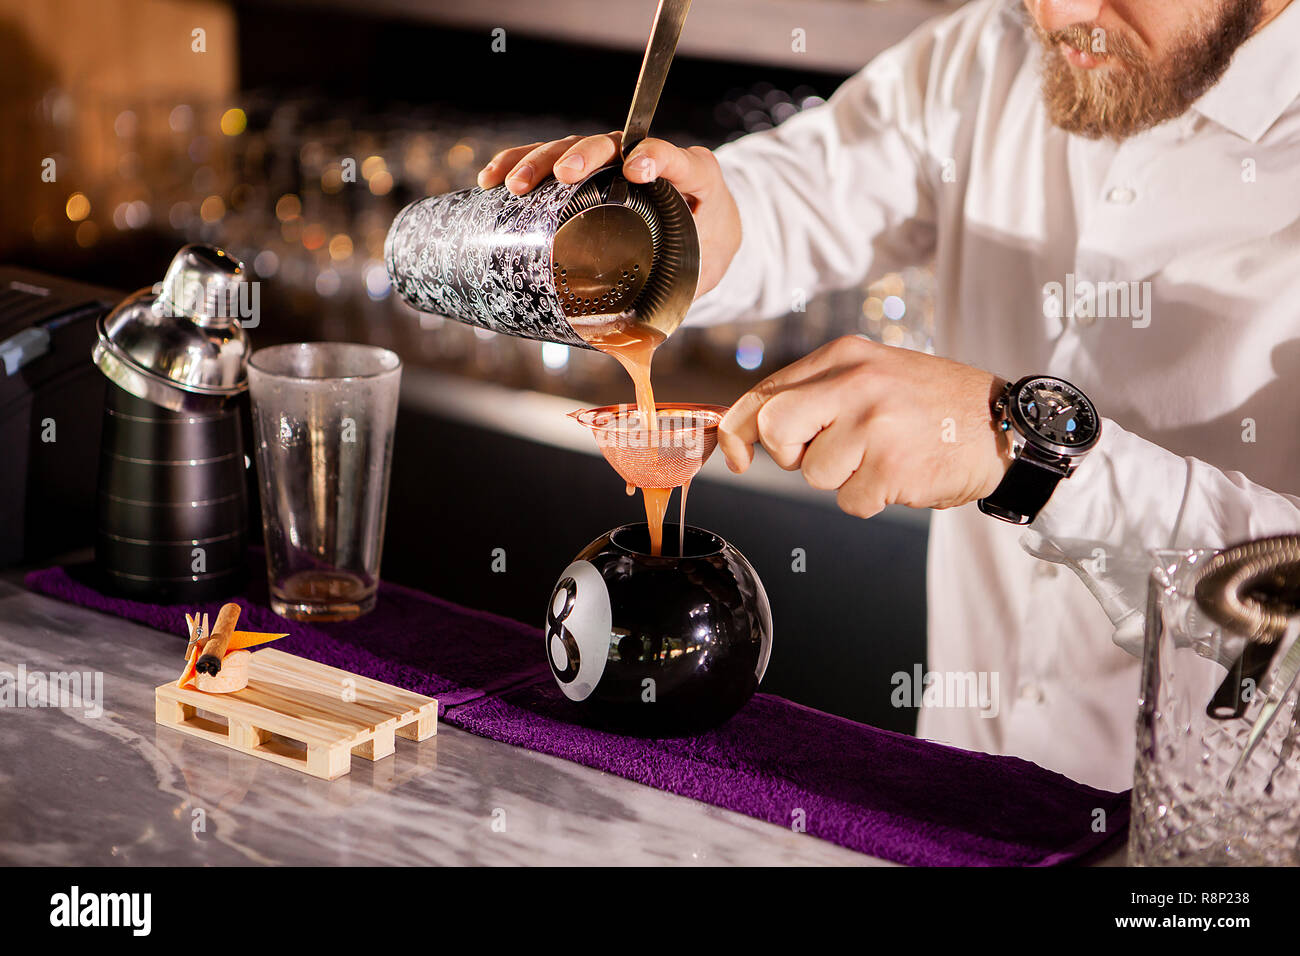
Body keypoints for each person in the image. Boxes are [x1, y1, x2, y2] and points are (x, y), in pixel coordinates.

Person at [477, 0, 1300, 790]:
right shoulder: (991, 50)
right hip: (956, 796)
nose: (1054, 13)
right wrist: (686, 226)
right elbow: (804, 191)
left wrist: (1022, 456)